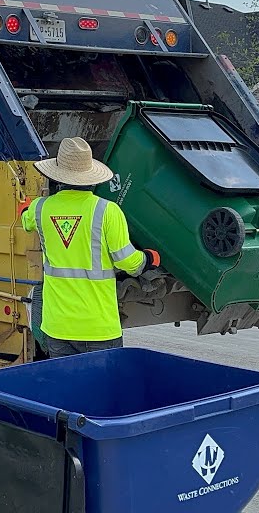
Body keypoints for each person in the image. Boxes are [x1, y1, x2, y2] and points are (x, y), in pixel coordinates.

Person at [21, 137, 158, 358]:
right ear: (91, 177)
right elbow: (128, 263)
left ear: (57, 176)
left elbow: (25, 219)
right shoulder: (107, 211)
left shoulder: (40, 209)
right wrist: (149, 259)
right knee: (102, 390)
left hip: (57, 327)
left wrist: (24, 208)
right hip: (98, 328)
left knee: (68, 388)